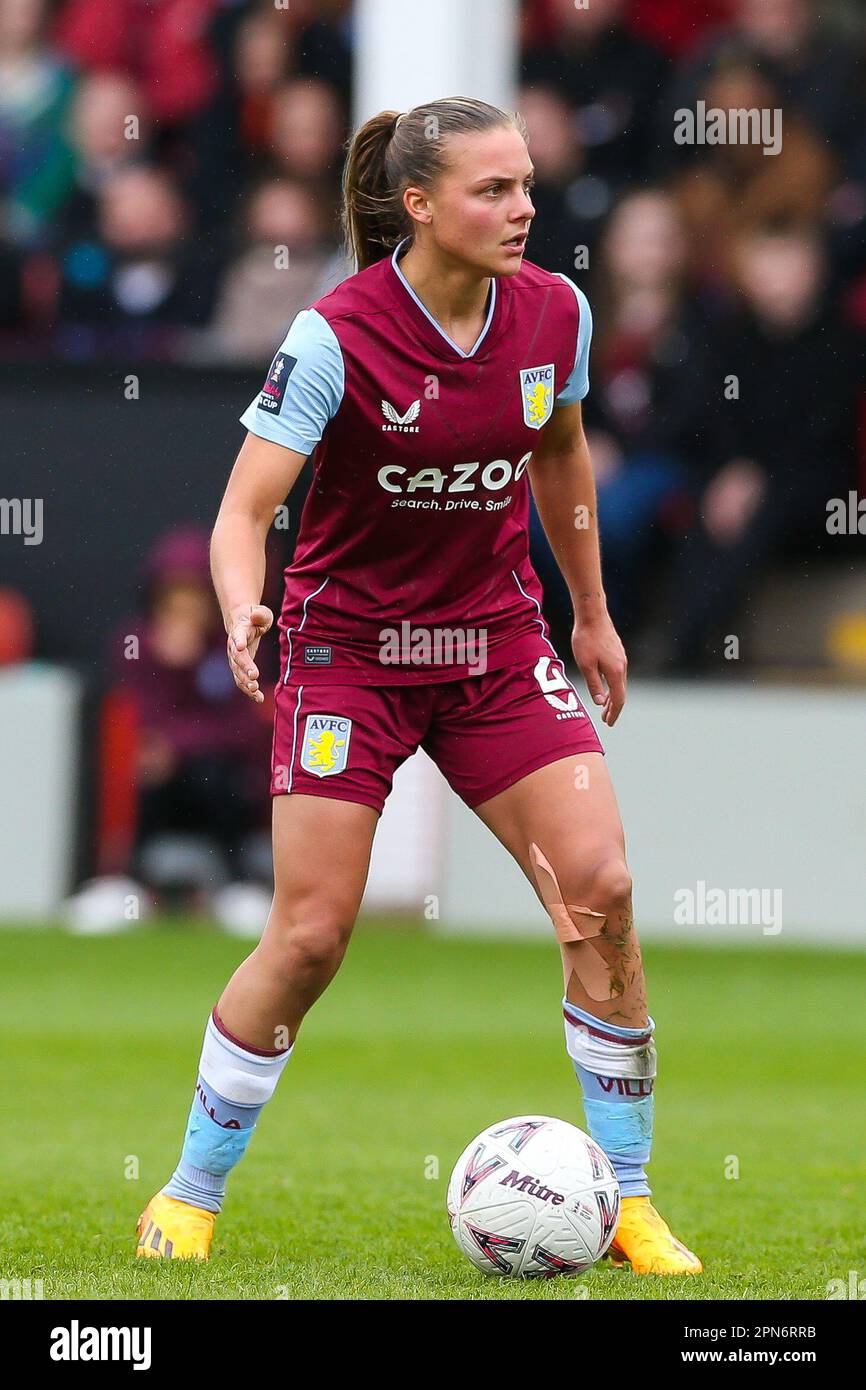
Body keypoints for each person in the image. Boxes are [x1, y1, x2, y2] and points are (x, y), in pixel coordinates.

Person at [135, 96, 702, 1276]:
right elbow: (244, 512)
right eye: (494, 190)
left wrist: (588, 613)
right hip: (350, 655)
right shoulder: (335, 335)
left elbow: (559, 453)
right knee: (309, 933)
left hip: (493, 646)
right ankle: (189, 1190)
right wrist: (246, 601)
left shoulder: (555, 311)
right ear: (419, 204)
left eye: (528, 184)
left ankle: (632, 1196)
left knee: (598, 886)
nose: (523, 208)